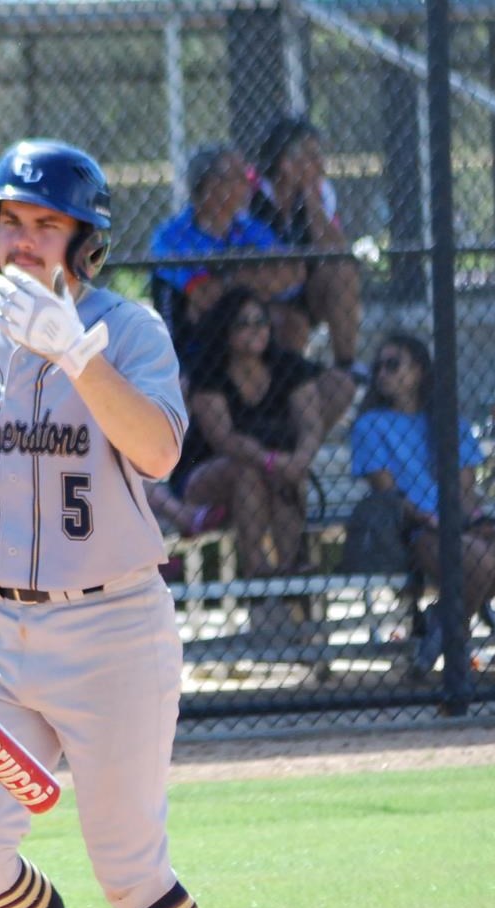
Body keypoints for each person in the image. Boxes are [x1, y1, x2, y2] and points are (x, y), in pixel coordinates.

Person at [0, 139, 214, 908]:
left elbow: (161, 452)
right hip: (0, 634)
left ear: (85, 240)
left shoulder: (130, 329)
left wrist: (76, 353)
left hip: (114, 632)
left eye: (46, 224)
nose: (23, 240)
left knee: (129, 867)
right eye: (9, 221)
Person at [351, 334, 495, 673]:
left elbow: (465, 488)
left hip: (455, 522)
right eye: (378, 367)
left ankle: (442, 622)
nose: (382, 374)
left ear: (419, 371)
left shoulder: (448, 422)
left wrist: (471, 519)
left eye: (393, 365)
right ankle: (454, 635)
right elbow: (387, 492)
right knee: (477, 559)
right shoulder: (369, 425)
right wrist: (431, 519)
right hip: (413, 525)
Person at [178, 286, 326, 585]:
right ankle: (256, 567)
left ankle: (289, 563)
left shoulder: (289, 366)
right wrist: (270, 460)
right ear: (225, 330)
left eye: (260, 322)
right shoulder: (209, 373)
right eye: (243, 324)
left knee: (289, 473)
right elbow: (223, 438)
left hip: (274, 469)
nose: (255, 330)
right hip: (207, 474)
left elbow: (312, 424)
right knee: (247, 470)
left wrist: (299, 459)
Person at [251, 115, 365, 378]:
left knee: (343, 271)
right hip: (264, 291)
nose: (320, 164)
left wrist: (311, 198)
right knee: (291, 325)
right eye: (311, 156)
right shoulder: (251, 192)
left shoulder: (321, 191)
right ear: (284, 162)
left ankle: (346, 365)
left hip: (305, 289)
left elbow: (338, 251)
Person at [148, 144, 303, 333]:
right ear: (212, 185)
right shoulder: (171, 236)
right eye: (238, 176)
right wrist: (257, 277)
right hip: (194, 339)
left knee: (290, 320)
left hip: (243, 328)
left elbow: (295, 272)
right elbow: (204, 297)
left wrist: (228, 279)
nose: (248, 184)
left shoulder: (248, 227)